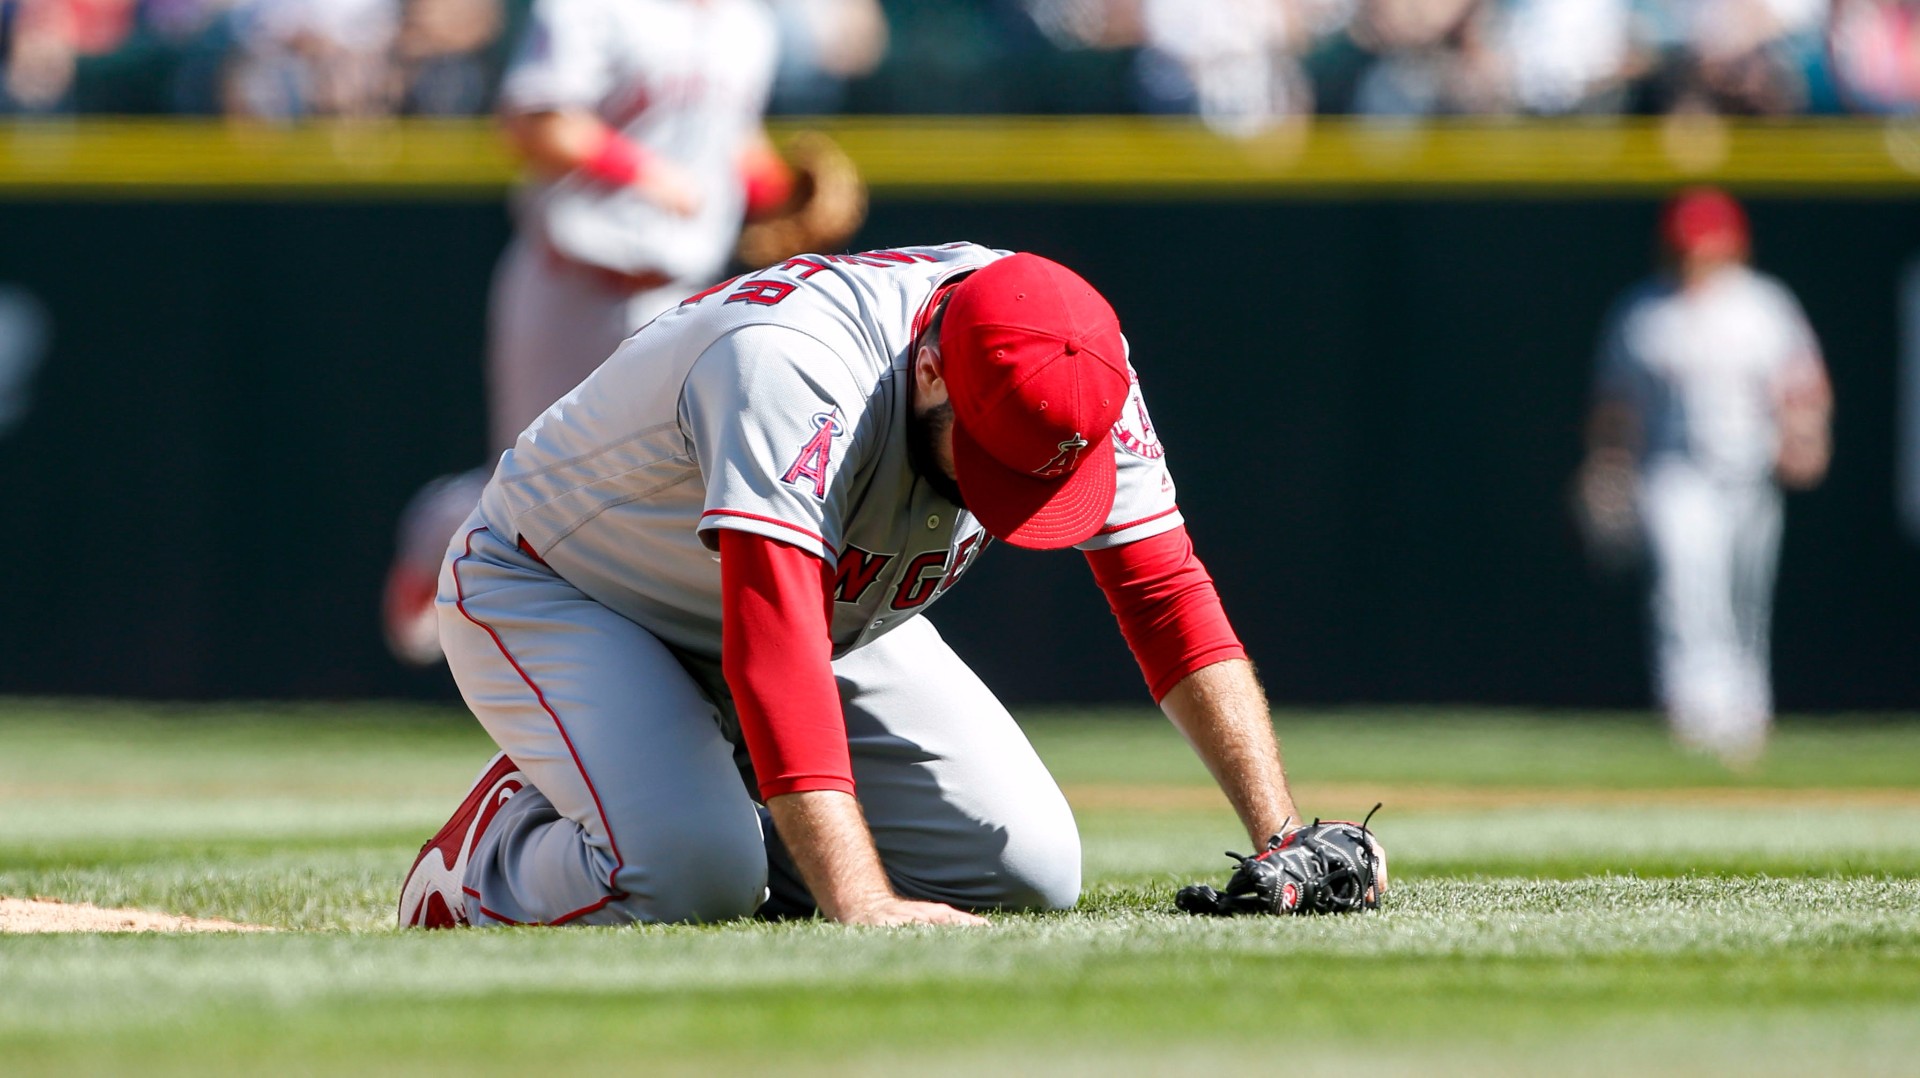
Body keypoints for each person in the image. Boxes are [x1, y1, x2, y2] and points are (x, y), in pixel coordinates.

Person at [397, 245, 1351, 928]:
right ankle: (486, 856)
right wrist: (864, 904)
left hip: (818, 617)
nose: (1013, 502)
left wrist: (1280, 835)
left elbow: (1165, 598)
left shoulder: (1073, 355)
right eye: (991, 467)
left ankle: (684, 785)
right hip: (567, 589)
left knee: (1027, 872)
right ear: (930, 371)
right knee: (690, 880)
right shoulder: (793, 366)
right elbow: (770, 643)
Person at [382, 0, 793, 664]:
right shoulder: (590, 9)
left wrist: (778, 186)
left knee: (671, 489)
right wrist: (644, 174)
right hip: (573, 281)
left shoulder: (748, 25)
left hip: (679, 292)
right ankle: (434, 541)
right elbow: (534, 122)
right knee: (522, 486)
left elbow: (727, 137)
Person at [1578, 188, 1832, 767]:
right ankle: (1692, 708)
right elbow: (1616, 406)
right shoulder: (1645, 312)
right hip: (1673, 469)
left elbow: (1802, 384)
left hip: (1750, 465)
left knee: (1745, 593)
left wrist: (1807, 436)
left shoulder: (1763, 305)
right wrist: (1606, 468)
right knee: (1685, 588)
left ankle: (1745, 712)